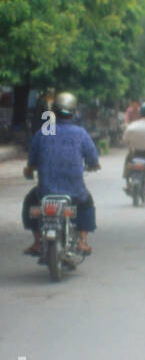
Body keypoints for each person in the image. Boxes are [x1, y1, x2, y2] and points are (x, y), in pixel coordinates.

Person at [21, 92, 99, 255]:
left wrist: (30, 169)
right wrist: (93, 165)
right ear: (74, 113)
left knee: (30, 202)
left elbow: (32, 161)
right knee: (87, 203)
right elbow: (93, 158)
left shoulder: (42, 132)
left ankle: (37, 242)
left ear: (54, 112)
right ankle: (83, 242)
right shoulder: (81, 133)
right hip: (75, 192)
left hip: (45, 193)